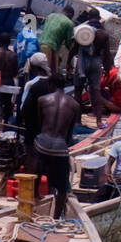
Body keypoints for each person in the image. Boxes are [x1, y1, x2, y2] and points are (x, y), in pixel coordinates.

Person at [33, 72, 81, 218]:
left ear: (51, 85)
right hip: (60, 146)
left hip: (42, 143)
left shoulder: (42, 100)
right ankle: (55, 217)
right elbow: (69, 132)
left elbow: (40, 125)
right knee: (62, 188)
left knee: (37, 172)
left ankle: (35, 197)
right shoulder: (75, 105)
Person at [39, 5, 75, 77]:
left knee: (41, 70)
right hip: (51, 47)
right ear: (70, 14)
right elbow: (68, 43)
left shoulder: (50, 16)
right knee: (51, 73)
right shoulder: (69, 23)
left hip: (39, 44)